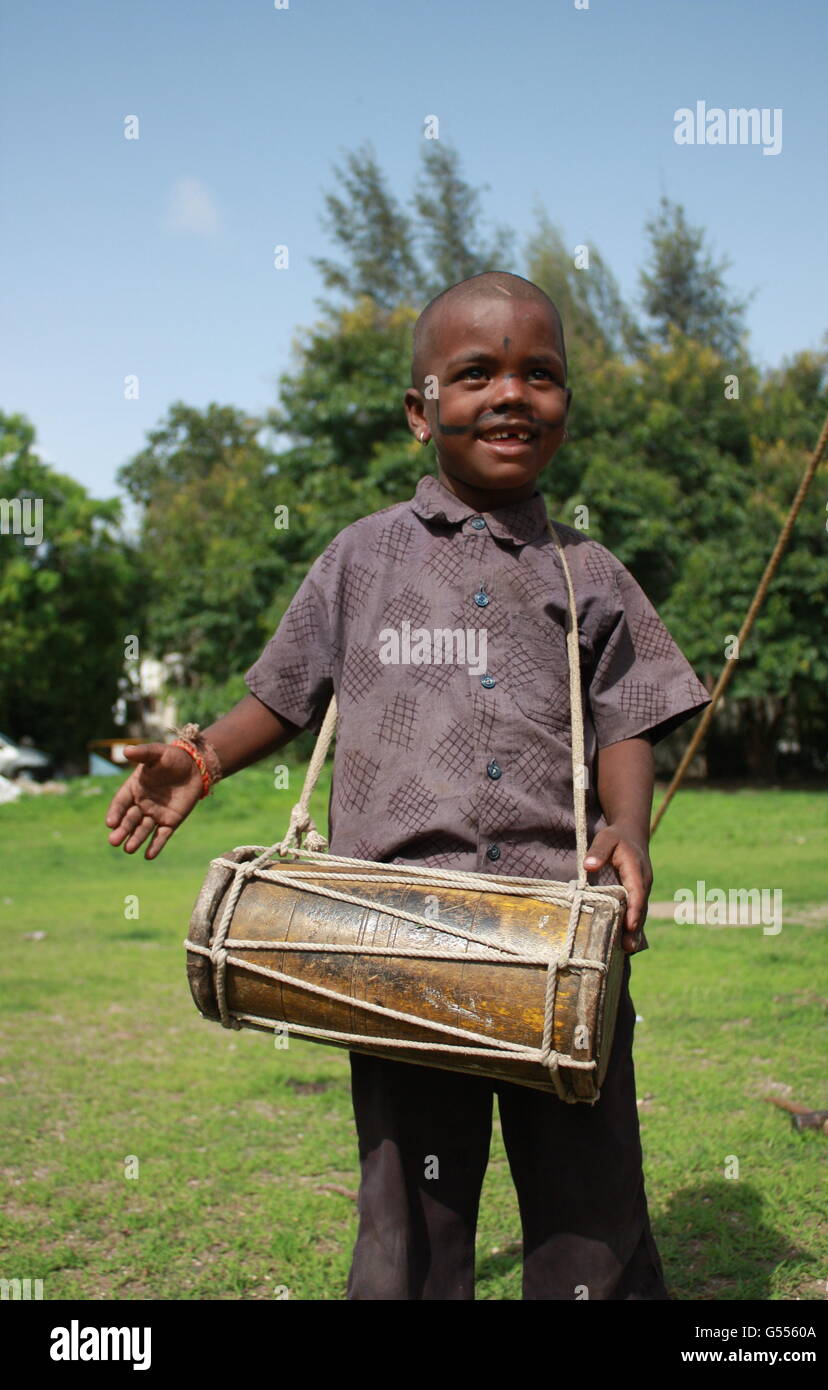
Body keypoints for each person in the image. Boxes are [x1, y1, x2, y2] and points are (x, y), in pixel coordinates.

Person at [106, 270, 711, 1300]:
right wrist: (200, 759)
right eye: (475, 373)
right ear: (418, 411)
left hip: (554, 932)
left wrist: (628, 831)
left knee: (590, 1210)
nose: (510, 394)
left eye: (540, 374)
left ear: (566, 403)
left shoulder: (589, 571)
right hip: (387, 939)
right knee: (410, 1217)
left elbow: (629, 711)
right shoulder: (361, 558)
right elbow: (286, 692)